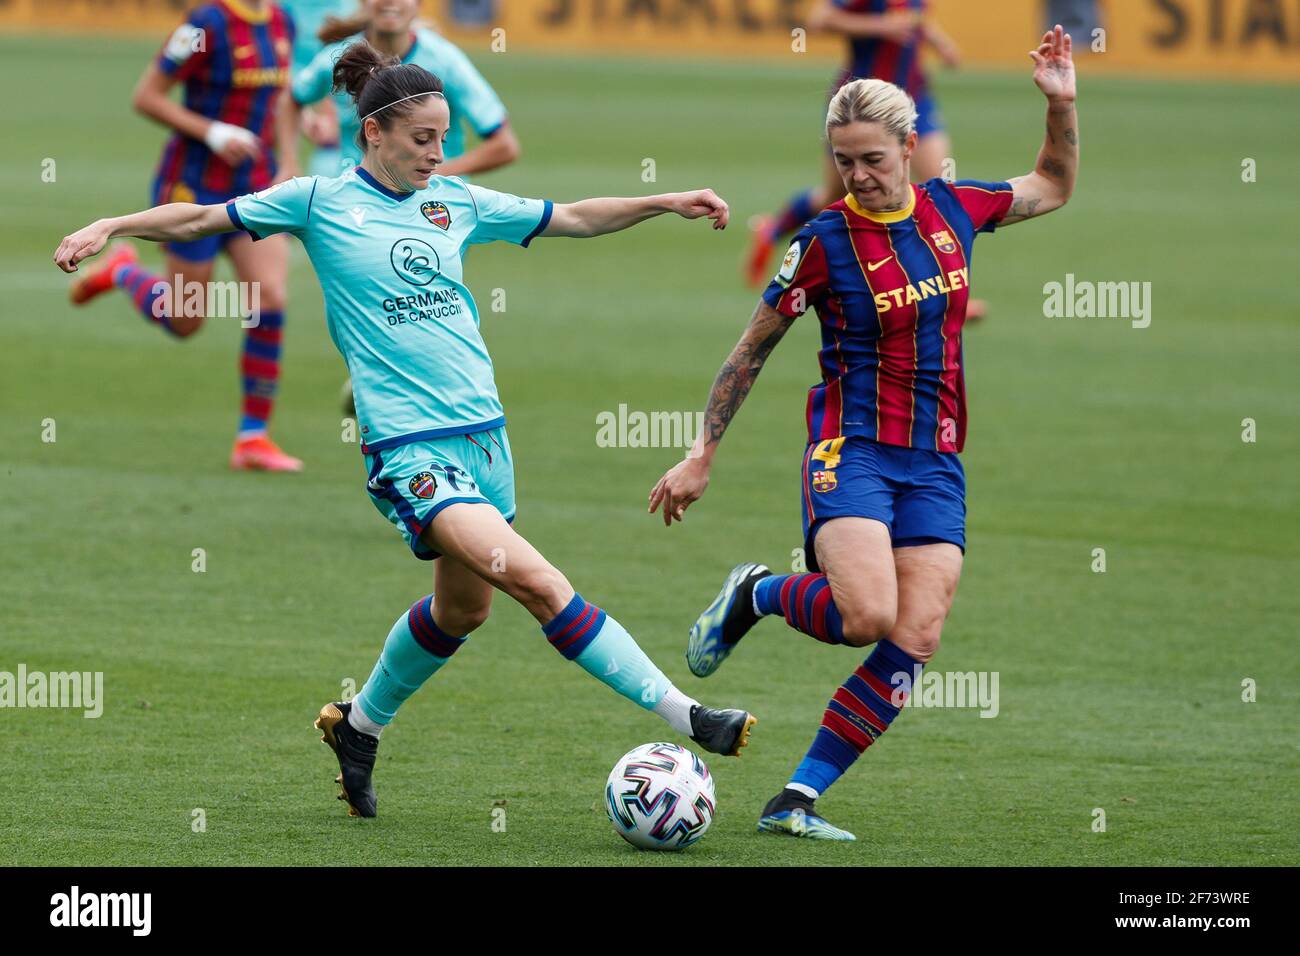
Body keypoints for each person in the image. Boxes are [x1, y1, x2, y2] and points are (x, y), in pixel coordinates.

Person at [55, 43, 755, 820]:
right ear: (374, 134)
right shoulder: (316, 200)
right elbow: (201, 217)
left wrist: (665, 200)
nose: (439, 152)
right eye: (423, 139)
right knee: (535, 582)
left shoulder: (454, 201)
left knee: (463, 612)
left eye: (444, 137)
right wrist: (113, 225)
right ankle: (685, 714)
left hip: (486, 439)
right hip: (407, 450)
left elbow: (576, 217)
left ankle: (358, 729)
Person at [650, 26, 1078, 840]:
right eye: (843, 160)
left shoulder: (956, 207)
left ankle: (797, 800)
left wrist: (1060, 104)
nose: (856, 175)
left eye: (872, 159)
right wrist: (703, 451)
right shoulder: (821, 244)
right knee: (867, 616)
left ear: (912, 148)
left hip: (937, 459)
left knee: (918, 631)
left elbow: (1054, 184)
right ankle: (759, 592)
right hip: (851, 453)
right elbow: (751, 352)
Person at [68, 0, 304, 471]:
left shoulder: (283, 21)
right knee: (185, 319)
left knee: (270, 297)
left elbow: (282, 100)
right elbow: (147, 96)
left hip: (254, 183)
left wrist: (291, 154)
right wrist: (212, 131)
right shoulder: (205, 23)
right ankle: (123, 272)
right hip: (193, 184)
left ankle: (253, 438)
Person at [743, 1, 990, 320]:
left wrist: (938, 42)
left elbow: (913, 21)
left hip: (915, 98)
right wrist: (881, 26)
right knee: (832, 198)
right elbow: (820, 19)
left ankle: (947, 293)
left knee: (941, 191)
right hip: (861, 107)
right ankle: (772, 230)